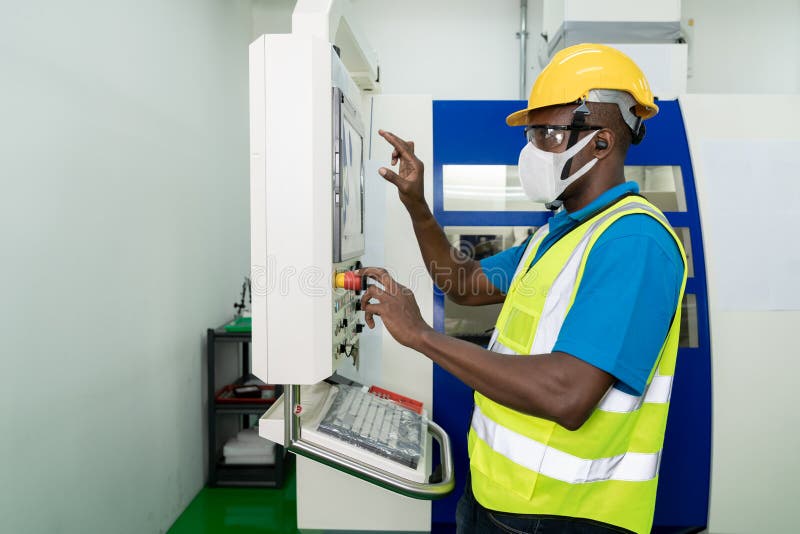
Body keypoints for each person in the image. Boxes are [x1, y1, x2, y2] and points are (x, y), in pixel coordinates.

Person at [357, 43, 687, 534]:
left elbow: (567, 395)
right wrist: (416, 204)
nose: (531, 150)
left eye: (547, 133)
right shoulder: (559, 235)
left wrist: (422, 335)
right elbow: (462, 284)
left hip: (563, 518)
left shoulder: (634, 241)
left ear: (600, 142)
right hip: (499, 500)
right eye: (533, 133)